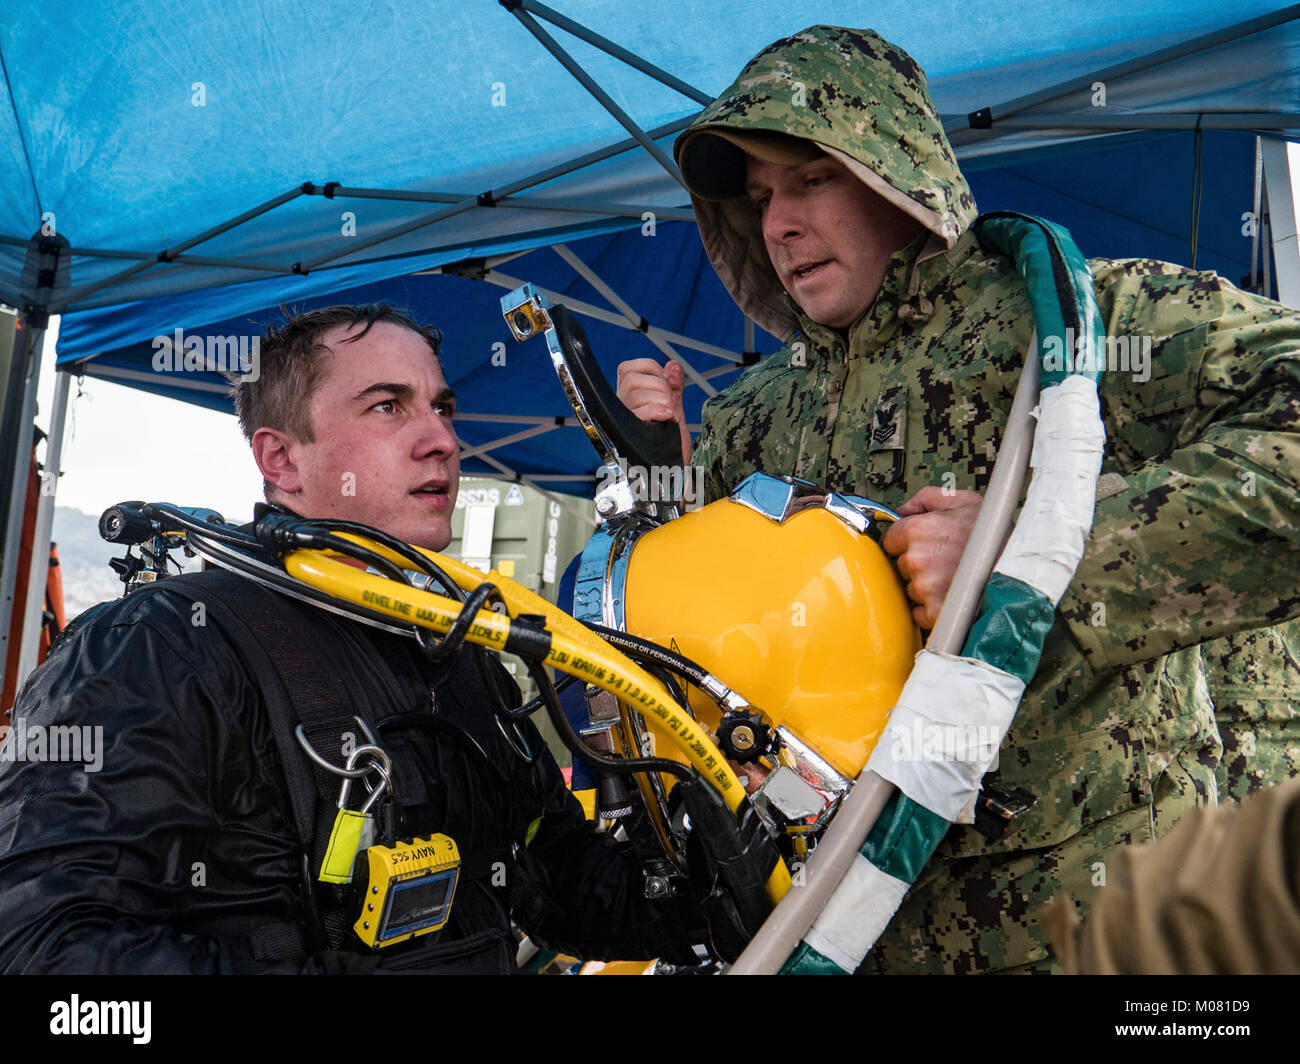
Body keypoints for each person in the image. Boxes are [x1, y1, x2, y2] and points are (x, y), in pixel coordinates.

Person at [617, 25, 1300, 973]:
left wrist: (1035, 556)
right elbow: (701, 663)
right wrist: (663, 486)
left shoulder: (1080, 324)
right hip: (856, 938)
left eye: (810, 179)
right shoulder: (752, 417)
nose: (775, 223)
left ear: (898, 177)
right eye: (762, 197)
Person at [0, 304, 704, 974]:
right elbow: (41, 947)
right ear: (280, 461)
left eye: (442, 408)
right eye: (387, 406)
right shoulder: (159, 648)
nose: (442, 440)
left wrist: (717, 878)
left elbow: (566, 884)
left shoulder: (456, 650)